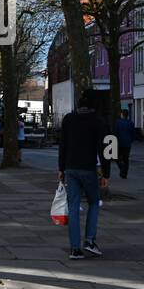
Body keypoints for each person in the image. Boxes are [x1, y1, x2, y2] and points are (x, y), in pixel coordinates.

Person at [58, 90, 109, 260]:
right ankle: (90, 240)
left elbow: (62, 145)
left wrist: (61, 168)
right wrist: (106, 173)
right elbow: (104, 149)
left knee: (73, 207)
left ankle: (74, 248)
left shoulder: (68, 119)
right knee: (94, 202)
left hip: (71, 168)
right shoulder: (98, 121)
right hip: (88, 168)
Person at [106, 108, 134, 181]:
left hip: (119, 143)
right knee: (126, 159)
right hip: (127, 143)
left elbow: (115, 132)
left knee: (116, 157)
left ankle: (121, 167)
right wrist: (131, 140)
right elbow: (133, 133)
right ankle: (124, 173)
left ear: (122, 114)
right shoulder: (131, 123)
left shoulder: (118, 122)